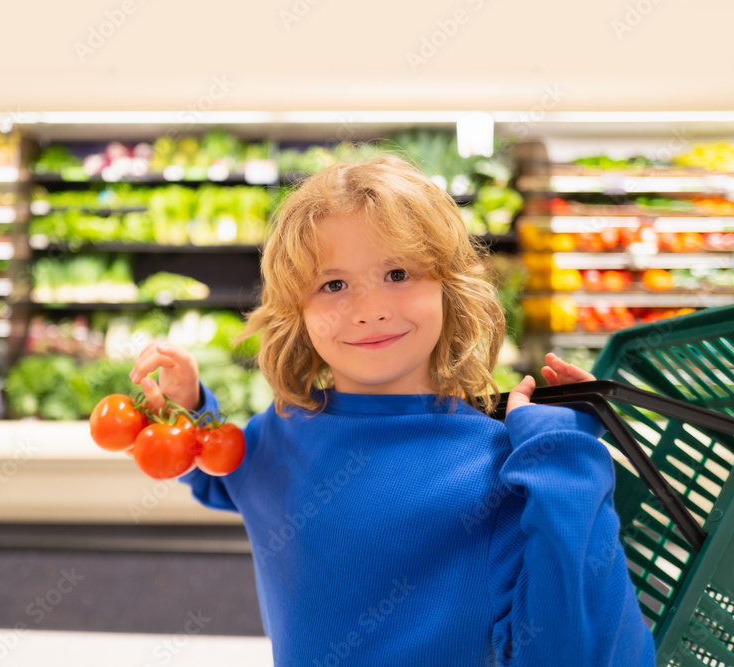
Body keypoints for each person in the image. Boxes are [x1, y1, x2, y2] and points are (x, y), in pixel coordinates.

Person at [128, 155, 655, 666]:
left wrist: (563, 461)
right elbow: (229, 474)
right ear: (298, 311)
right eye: (333, 285)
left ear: (449, 287)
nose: (370, 309)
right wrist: (192, 411)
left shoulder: (503, 471)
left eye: (399, 273)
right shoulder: (280, 434)